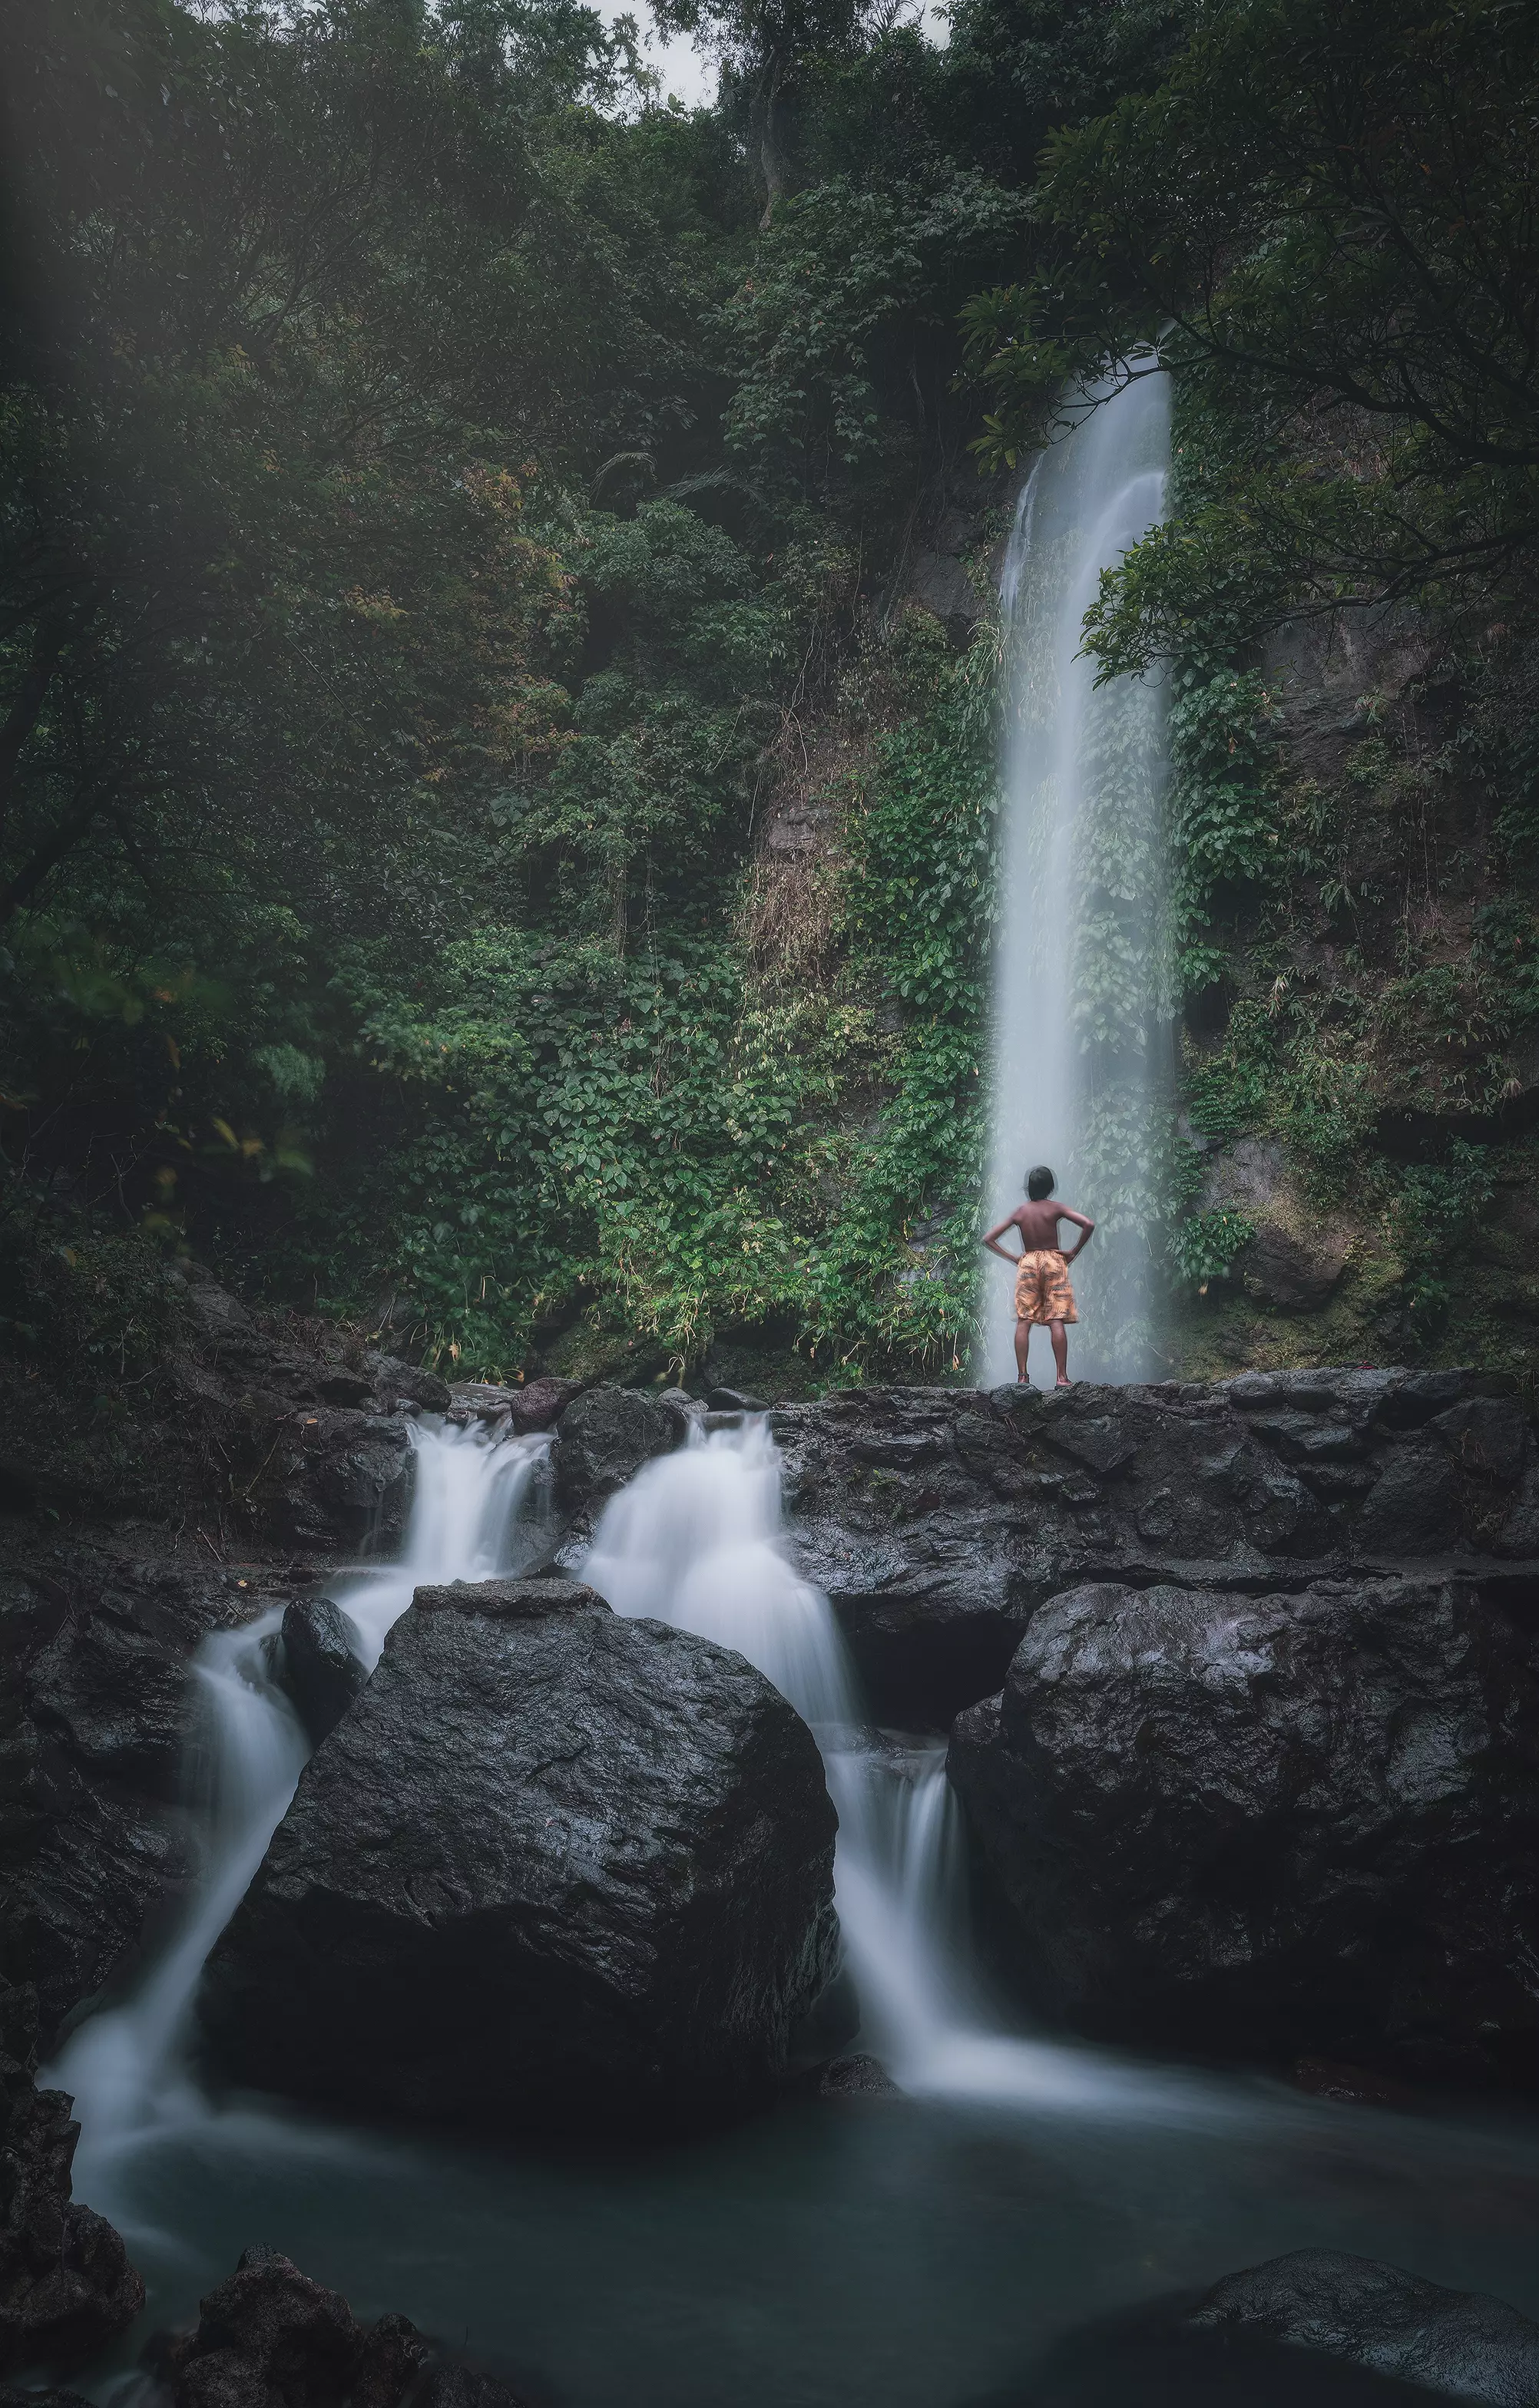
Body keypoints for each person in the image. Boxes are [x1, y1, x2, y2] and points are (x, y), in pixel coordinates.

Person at [982, 1166, 1095, 1388]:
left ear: (1029, 1189)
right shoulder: (1056, 1208)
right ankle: (1061, 1378)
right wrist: (1073, 1251)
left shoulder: (1020, 1212)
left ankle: (1022, 1376)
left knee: (1025, 1320)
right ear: (1050, 1187)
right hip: (1054, 1261)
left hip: (1029, 1263)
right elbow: (1088, 1224)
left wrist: (1015, 1258)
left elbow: (989, 1238)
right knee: (1056, 1319)